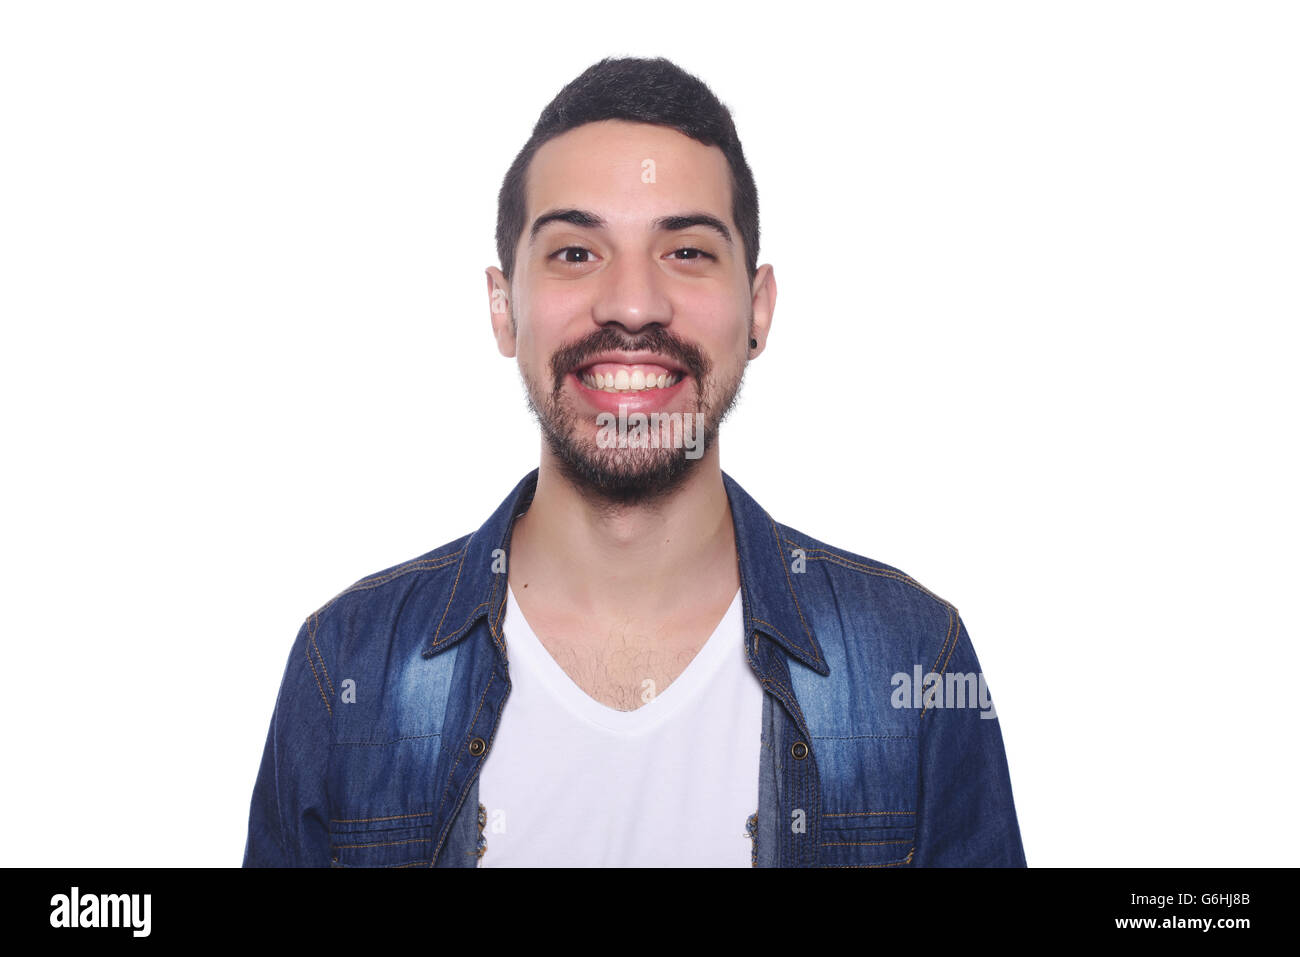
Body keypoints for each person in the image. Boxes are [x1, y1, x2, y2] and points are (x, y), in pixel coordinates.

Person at [242, 55, 1026, 868]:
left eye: (685, 251)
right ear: (503, 308)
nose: (632, 305)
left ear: (757, 311)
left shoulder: (914, 664)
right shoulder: (345, 670)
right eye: (576, 253)